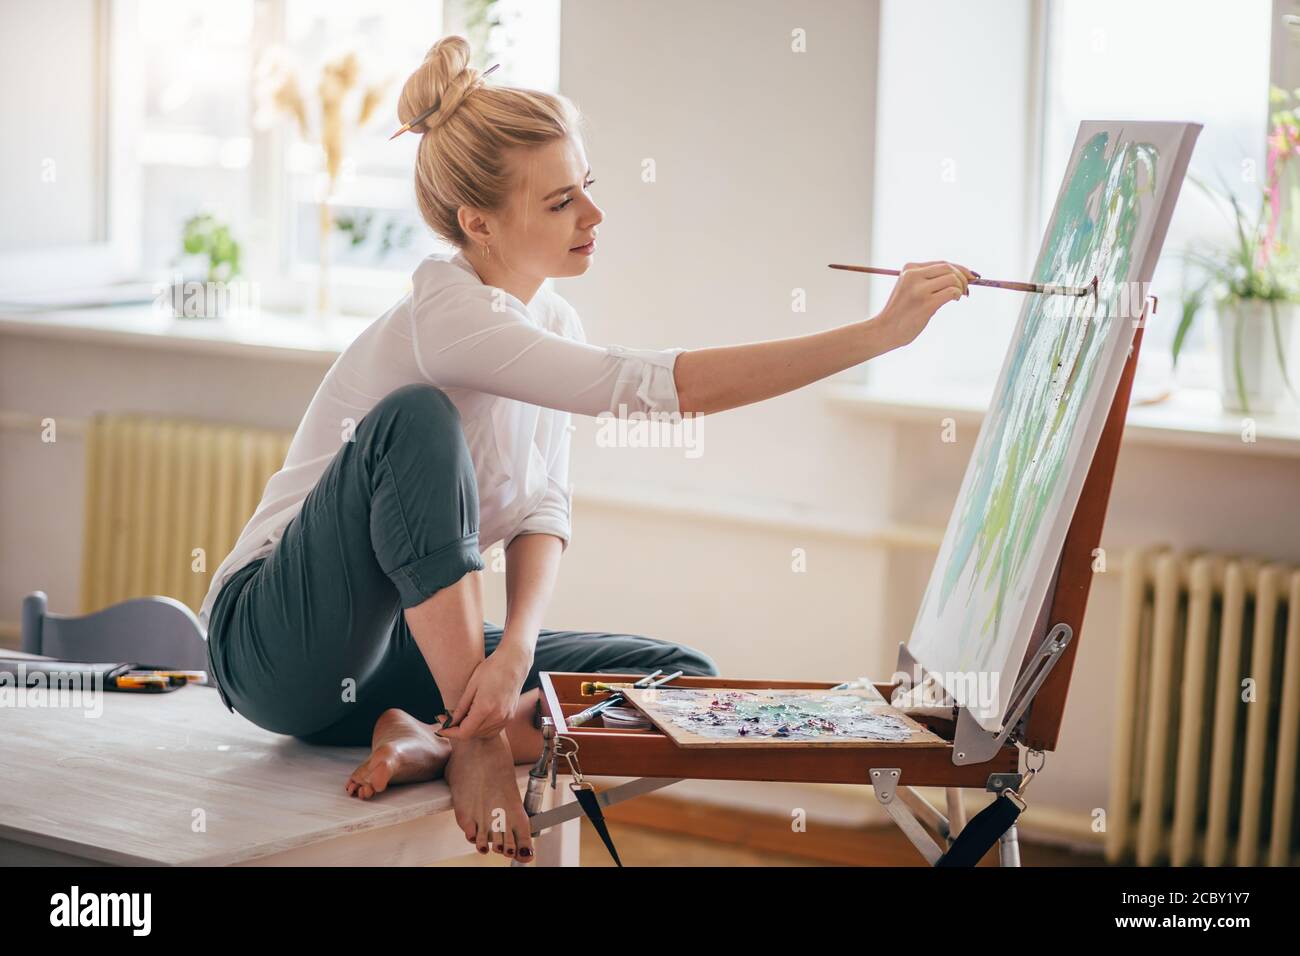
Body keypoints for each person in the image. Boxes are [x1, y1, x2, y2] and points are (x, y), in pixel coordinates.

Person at [198, 34, 974, 864]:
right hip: (272, 646)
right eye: (562, 201)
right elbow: (658, 388)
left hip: (389, 659)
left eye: (589, 188)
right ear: (478, 221)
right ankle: (479, 743)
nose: (594, 217)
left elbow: (543, 508)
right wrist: (876, 336)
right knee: (414, 421)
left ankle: (437, 730)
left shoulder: (552, 326)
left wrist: (517, 653)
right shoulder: (447, 313)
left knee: (677, 682)